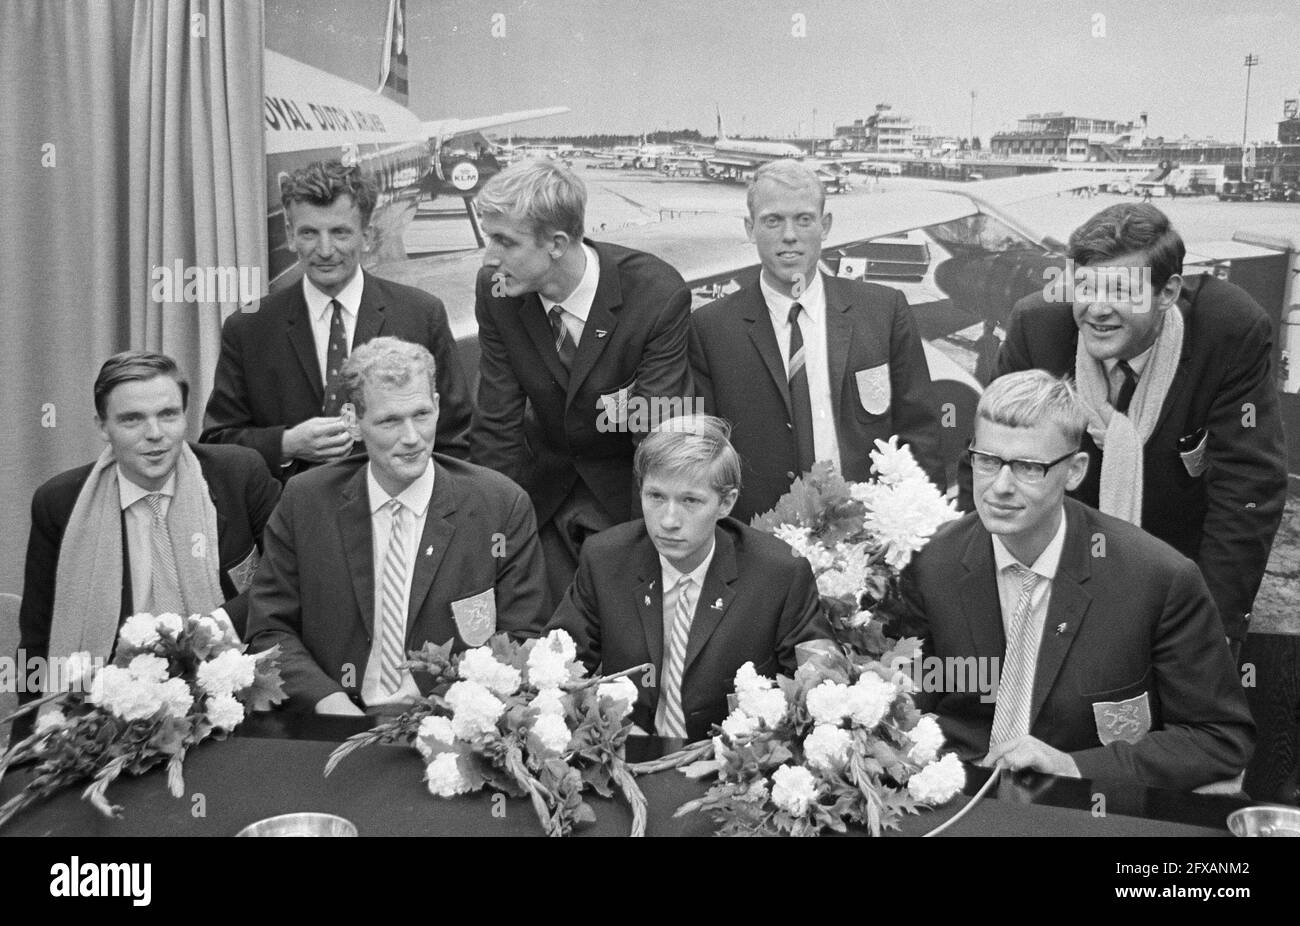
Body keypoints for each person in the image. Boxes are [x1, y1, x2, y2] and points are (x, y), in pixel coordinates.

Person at [895, 370, 1253, 791]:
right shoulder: (930, 562)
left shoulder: (1157, 579)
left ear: (1075, 471)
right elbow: (905, 703)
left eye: (1028, 467)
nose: (999, 487)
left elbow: (1219, 740)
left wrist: (1073, 767)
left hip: (1084, 808)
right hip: (958, 796)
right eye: (988, 461)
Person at [982, 203, 1286, 655]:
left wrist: (1209, 627)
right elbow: (994, 466)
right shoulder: (1037, 327)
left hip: (1180, 575)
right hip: (1055, 577)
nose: (1097, 310)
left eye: (1121, 291)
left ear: (1168, 292)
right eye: (1085, 287)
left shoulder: (1228, 329)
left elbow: (1246, 491)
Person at [246, 338, 549, 715]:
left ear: (438, 407)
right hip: (331, 722)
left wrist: (457, 713)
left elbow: (523, 640)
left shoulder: (500, 506)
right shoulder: (306, 502)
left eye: (421, 414)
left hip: (456, 724)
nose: (411, 438)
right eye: (390, 420)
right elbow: (269, 629)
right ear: (353, 423)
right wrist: (328, 702)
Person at [16, 351, 280, 733]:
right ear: (102, 426)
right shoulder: (59, 504)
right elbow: (39, 637)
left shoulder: (239, 474)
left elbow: (290, 580)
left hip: (234, 704)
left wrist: (212, 630)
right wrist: (30, 745)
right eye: (131, 419)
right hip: (110, 717)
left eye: (168, 414)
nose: (154, 433)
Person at [469, 159, 694, 605]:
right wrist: (494, 540)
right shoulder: (496, 289)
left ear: (556, 243)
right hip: (544, 495)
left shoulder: (655, 293)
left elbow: (656, 437)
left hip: (624, 495)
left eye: (504, 242)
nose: (489, 258)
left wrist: (648, 553)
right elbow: (497, 425)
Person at [689, 159, 944, 524]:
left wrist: (920, 530)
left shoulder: (883, 312)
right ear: (750, 228)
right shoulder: (711, 328)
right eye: (772, 220)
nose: (789, 234)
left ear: (825, 226)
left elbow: (921, 432)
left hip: (869, 535)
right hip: (760, 544)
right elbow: (705, 454)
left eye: (804, 219)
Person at [547, 415, 832, 742]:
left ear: (726, 502)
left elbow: (824, 688)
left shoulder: (780, 573)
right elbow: (554, 670)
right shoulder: (604, 558)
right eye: (655, 497)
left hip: (732, 762)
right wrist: (605, 720)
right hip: (629, 755)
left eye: (690, 500)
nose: (668, 520)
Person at [202, 160, 472, 480]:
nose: (325, 250)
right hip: (290, 521)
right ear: (290, 236)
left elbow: (456, 439)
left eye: (340, 233)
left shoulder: (421, 315)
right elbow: (216, 443)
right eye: (309, 233)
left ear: (367, 235)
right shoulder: (249, 327)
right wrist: (286, 444)